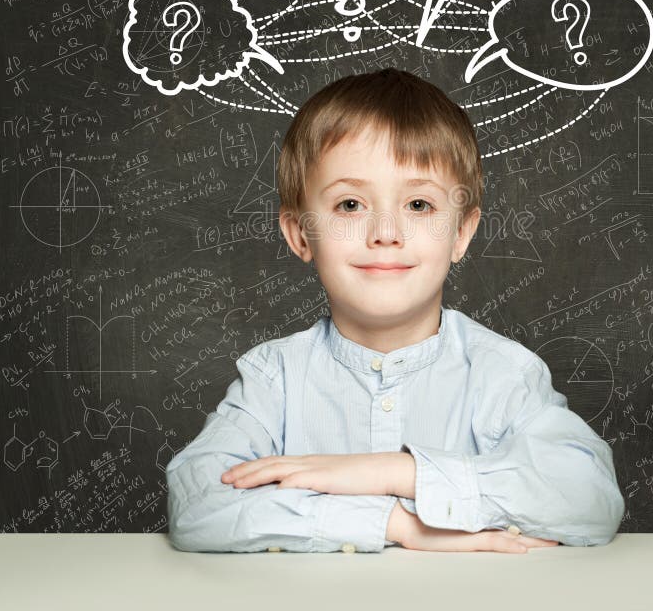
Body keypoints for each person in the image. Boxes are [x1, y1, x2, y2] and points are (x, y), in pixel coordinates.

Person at [166, 68, 625, 554]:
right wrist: (398, 524)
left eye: (420, 205)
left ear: (462, 234)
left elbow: (591, 497)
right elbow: (197, 504)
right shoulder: (274, 379)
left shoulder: (503, 375)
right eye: (349, 204)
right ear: (301, 234)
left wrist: (397, 472)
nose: (385, 231)